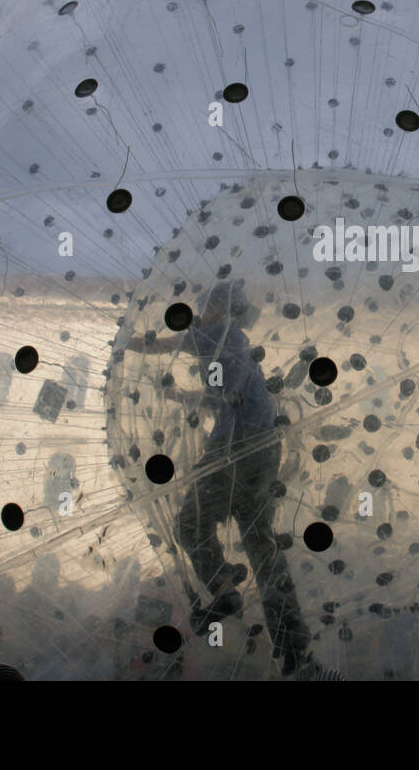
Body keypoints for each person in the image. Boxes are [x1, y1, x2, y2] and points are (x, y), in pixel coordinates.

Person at [130, 281, 314, 676]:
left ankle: (224, 588)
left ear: (215, 307)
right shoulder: (239, 343)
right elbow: (227, 393)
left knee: (191, 522)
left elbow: (168, 346)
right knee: (261, 544)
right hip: (264, 446)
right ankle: (294, 645)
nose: (199, 311)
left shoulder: (211, 333)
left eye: (205, 305)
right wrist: (185, 398)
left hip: (234, 446)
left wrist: (130, 344)